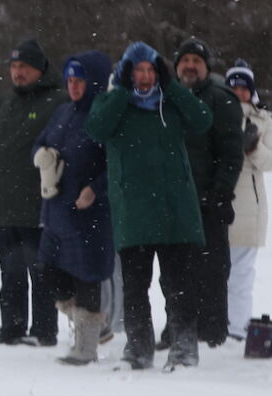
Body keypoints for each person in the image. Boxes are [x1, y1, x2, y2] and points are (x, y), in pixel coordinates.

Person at [85, 41, 213, 369]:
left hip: (176, 212)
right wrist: (122, 92)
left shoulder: (170, 103)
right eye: (138, 70)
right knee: (135, 287)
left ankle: (184, 347)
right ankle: (138, 349)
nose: (145, 76)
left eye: (151, 70)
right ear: (127, 73)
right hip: (134, 211)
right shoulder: (112, 102)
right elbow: (97, 129)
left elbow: (202, 120)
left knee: (179, 285)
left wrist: (173, 88)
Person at [0, 38, 64, 345]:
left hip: (40, 207)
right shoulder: (3, 104)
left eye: (24, 67)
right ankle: (11, 329)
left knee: (41, 273)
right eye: (14, 66)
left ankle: (44, 331)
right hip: (4, 207)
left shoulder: (58, 102)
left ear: (39, 69)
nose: (18, 72)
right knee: (10, 274)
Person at [31, 53, 114, 365]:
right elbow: (39, 141)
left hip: (90, 213)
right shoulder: (63, 112)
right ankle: (88, 323)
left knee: (87, 277)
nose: (74, 86)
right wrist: (40, 154)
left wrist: (95, 189)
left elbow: (116, 164)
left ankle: (87, 346)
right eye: (70, 80)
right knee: (46, 270)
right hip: (55, 212)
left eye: (80, 80)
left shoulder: (103, 116)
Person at [165, 38, 244, 347]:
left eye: (196, 61)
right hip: (173, 201)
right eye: (184, 61)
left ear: (207, 67)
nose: (190, 66)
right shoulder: (167, 99)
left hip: (208, 200)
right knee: (173, 271)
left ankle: (211, 332)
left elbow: (231, 154)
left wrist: (220, 193)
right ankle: (176, 328)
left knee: (211, 269)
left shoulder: (221, 99)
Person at [224, 62, 269, 340]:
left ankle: (237, 327)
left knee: (240, 275)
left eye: (244, 87)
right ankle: (216, 324)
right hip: (219, 201)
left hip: (249, 208)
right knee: (216, 273)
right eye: (234, 86)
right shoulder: (215, 115)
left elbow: (270, 161)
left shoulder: (264, 120)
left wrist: (254, 148)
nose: (239, 92)